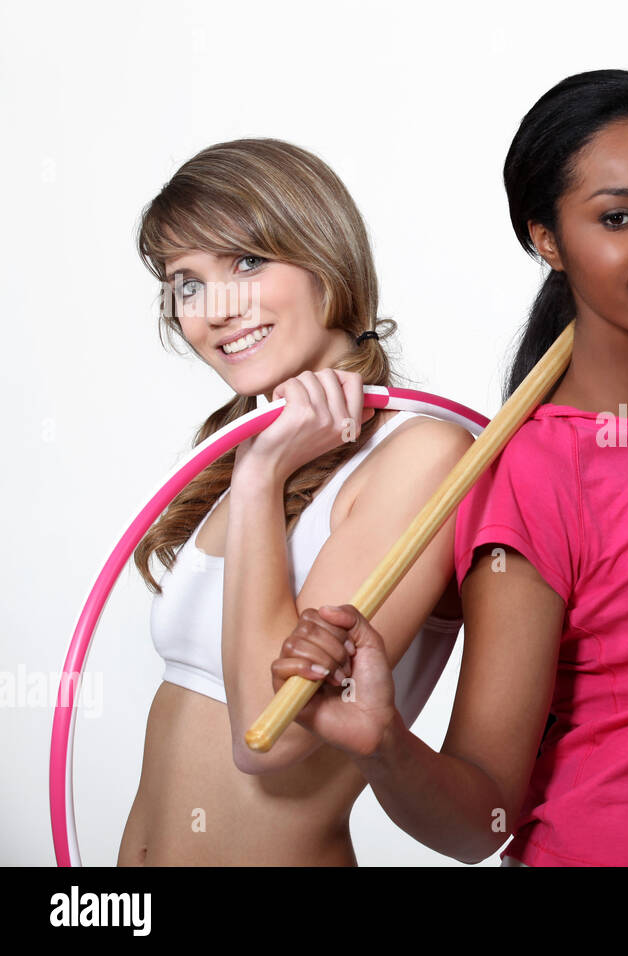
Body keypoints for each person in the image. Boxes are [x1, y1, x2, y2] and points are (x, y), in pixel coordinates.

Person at [271, 69, 628, 865]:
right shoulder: (538, 478)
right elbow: (483, 817)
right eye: (618, 216)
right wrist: (383, 744)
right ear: (546, 240)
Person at [118, 138, 473, 865]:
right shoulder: (252, 453)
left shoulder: (421, 456)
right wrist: (256, 470)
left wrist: (259, 480)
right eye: (187, 283)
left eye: (247, 261)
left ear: (324, 257)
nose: (213, 310)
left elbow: (269, 734)